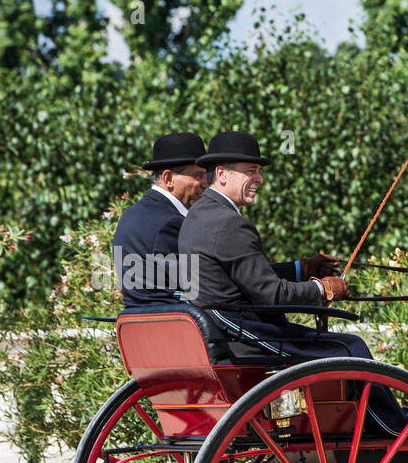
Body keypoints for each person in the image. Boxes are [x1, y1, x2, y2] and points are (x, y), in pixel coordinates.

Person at [178, 130, 367, 362]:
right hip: (249, 338)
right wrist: (323, 288)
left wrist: (303, 268)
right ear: (222, 174)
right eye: (251, 171)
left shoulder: (197, 214)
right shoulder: (230, 223)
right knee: (352, 347)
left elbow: (240, 277)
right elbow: (272, 295)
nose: (260, 179)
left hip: (224, 334)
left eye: (258, 172)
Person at [112, 133, 209, 307]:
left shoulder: (130, 215)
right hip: (174, 324)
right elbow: (201, 284)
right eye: (197, 175)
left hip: (138, 324)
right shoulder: (170, 222)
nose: (206, 183)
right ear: (168, 178)